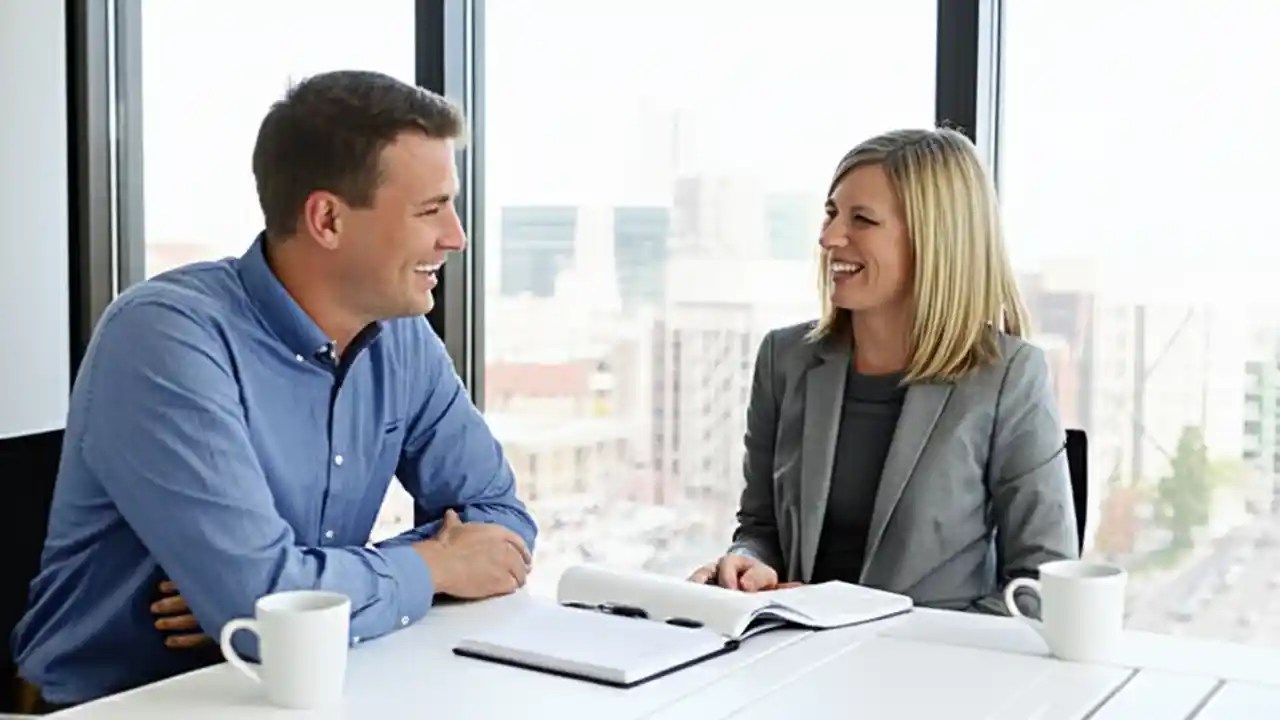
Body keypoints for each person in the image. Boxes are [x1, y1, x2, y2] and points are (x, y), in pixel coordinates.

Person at [11, 69, 537, 710]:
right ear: (327, 219)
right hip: (123, 704)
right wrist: (434, 564)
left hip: (299, 690)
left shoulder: (401, 339)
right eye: (431, 210)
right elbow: (259, 608)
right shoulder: (164, 338)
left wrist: (298, 585)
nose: (455, 236)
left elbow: (500, 522)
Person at [689, 128, 1078, 614]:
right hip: (792, 662)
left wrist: (862, 624)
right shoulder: (783, 359)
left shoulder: (1009, 378)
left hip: (931, 674)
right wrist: (747, 563)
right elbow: (761, 527)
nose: (829, 237)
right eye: (831, 213)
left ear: (933, 241)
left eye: (862, 219)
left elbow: (1041, 589)